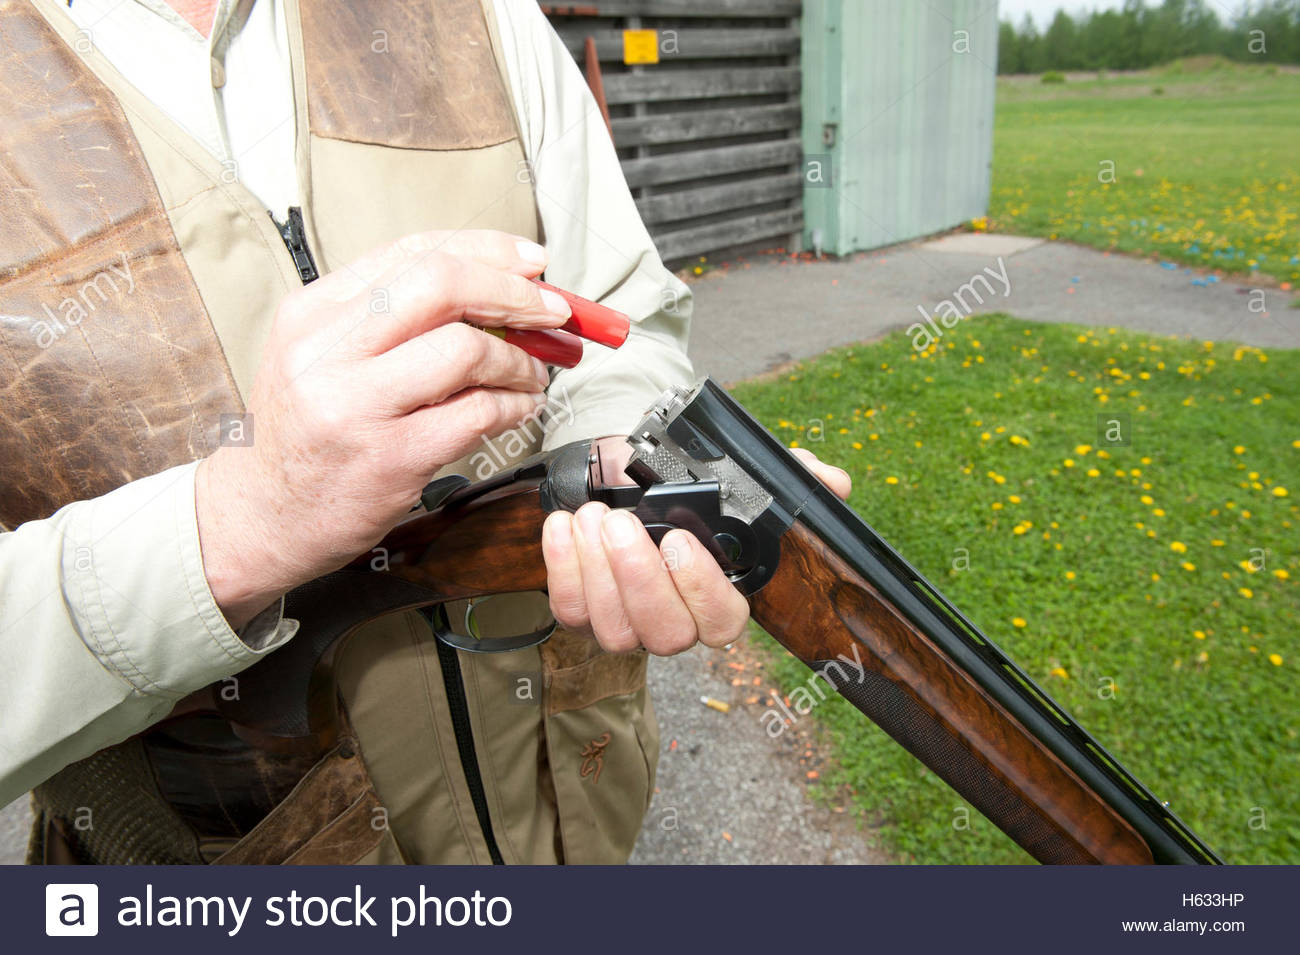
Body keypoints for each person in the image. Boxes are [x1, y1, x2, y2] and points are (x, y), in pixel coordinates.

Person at [0, 0, 849, 864]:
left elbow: (622, 312)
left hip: (567, 808)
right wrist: (234, 524)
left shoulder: (483, 14)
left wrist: (615, 452)